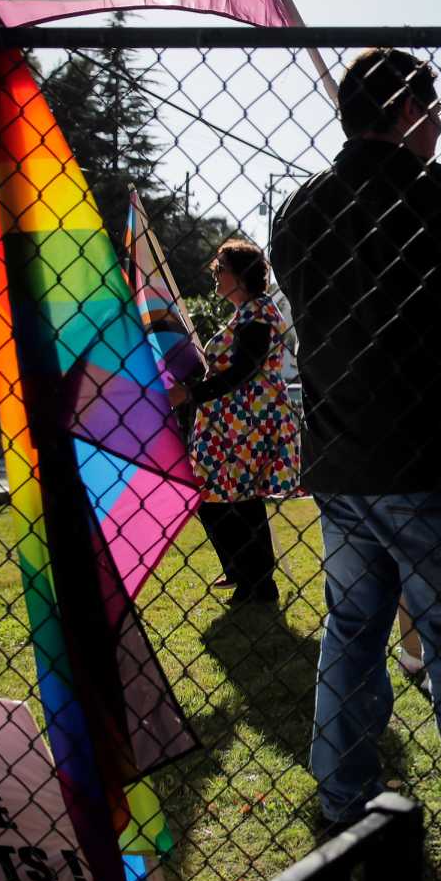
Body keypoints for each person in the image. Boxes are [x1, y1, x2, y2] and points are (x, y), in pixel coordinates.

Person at [271, 46, 441, 858]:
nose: (437, 127)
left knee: (352, 627)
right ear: (404, 110)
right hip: (434, 452)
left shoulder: (300, 208)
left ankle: (341, 793)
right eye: (432, 110)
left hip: (341, 456)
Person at [167, 239, 300, 606]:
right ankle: (246, 574)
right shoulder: (248, 312)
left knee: (235, 499)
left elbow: (243, 370)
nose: (215, 275)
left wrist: (190, 393)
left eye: (220, 269)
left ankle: (256, 582)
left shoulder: (257, 314)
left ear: (240, 275)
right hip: (232, 422)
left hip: (246, 422)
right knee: (224, 498)